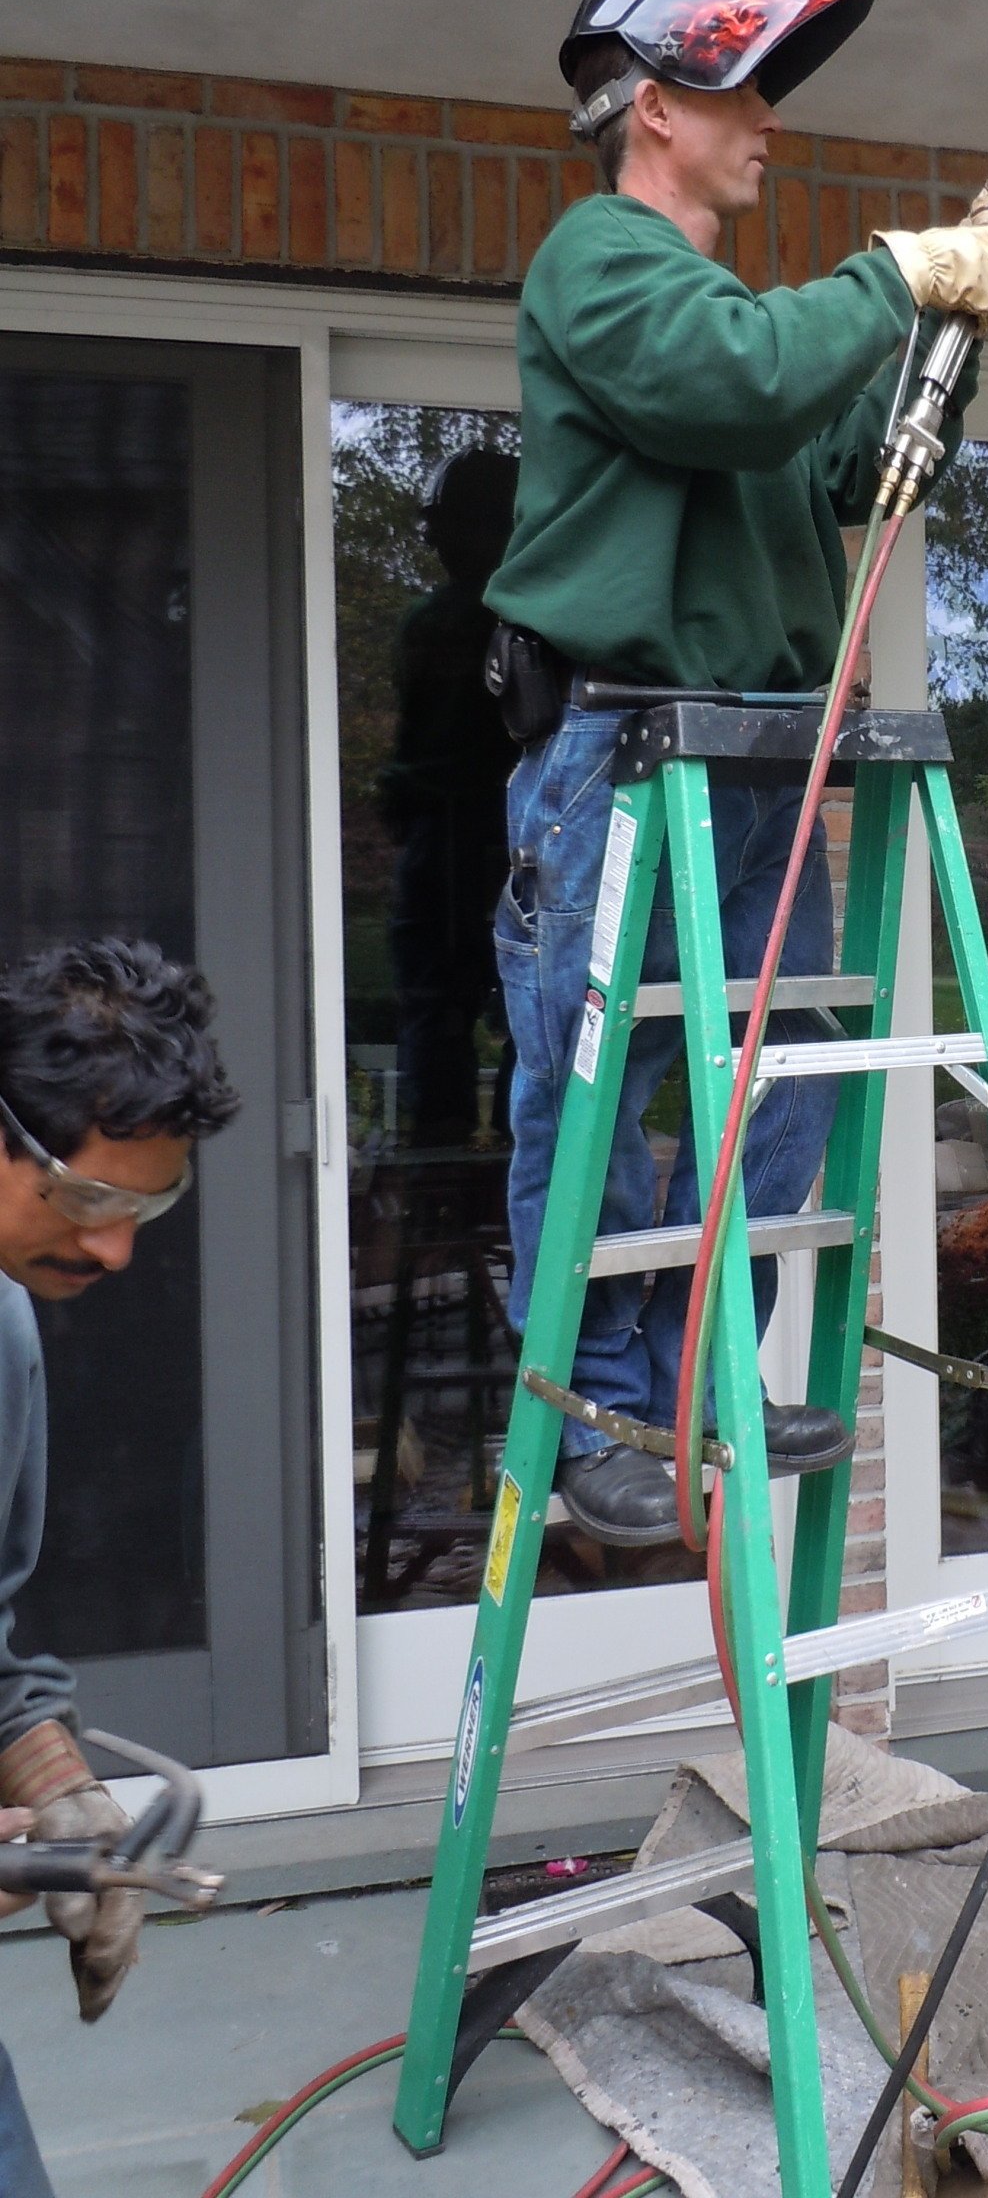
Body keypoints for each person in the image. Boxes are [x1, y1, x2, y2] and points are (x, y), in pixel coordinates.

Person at [485, 0, 988, 1545]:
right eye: (745, 94)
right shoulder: (602, 265)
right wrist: (889, 275)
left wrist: (950, 334)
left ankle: (692, 1384)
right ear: (657, 102)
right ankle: (597, 1415)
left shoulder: (731, 319)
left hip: (759, 756)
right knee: (605, 1084)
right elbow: (729, 387)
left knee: (772, 1091)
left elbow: (841, 456)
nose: (771, 125)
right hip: (624, 762)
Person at [0, 938, 239, 2197]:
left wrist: (56, 1781)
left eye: (146, 1211)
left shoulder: (3, 1335)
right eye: (93, 1202)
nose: (116, 1253)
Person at [381, 444, 521, 1145]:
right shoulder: (528, 623)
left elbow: (427, 748)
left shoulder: (451, 624)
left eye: (445, 525)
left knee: (440, 1005)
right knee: (522, 1007)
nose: (433, 542)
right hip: (492, 840)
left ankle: (448, 1157)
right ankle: (493, 1163)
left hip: (467, 841)